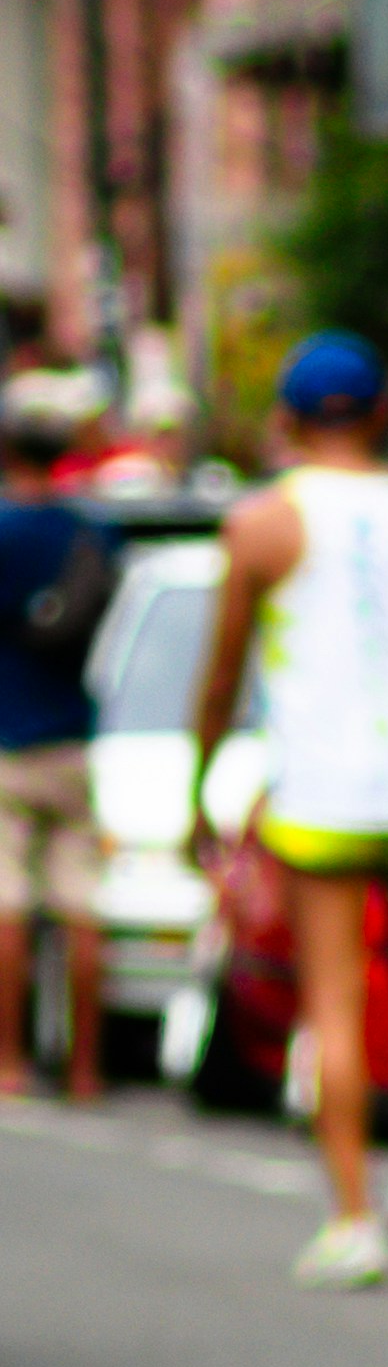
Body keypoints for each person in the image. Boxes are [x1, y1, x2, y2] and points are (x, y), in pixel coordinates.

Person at [189, 331, 388, 1283]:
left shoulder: (262, 524)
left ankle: (353, 1215)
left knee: (331, 996)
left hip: (321, 783)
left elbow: (221, 672)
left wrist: (201, 778)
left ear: (285, 421)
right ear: (380, 413)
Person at [0, 403, 119, 1098]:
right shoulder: (90, 533)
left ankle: (9, 1061)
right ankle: (84, 1069)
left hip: (8, 738)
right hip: (74, 734)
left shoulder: (4, 530)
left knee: (8, 903)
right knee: (82, 906)